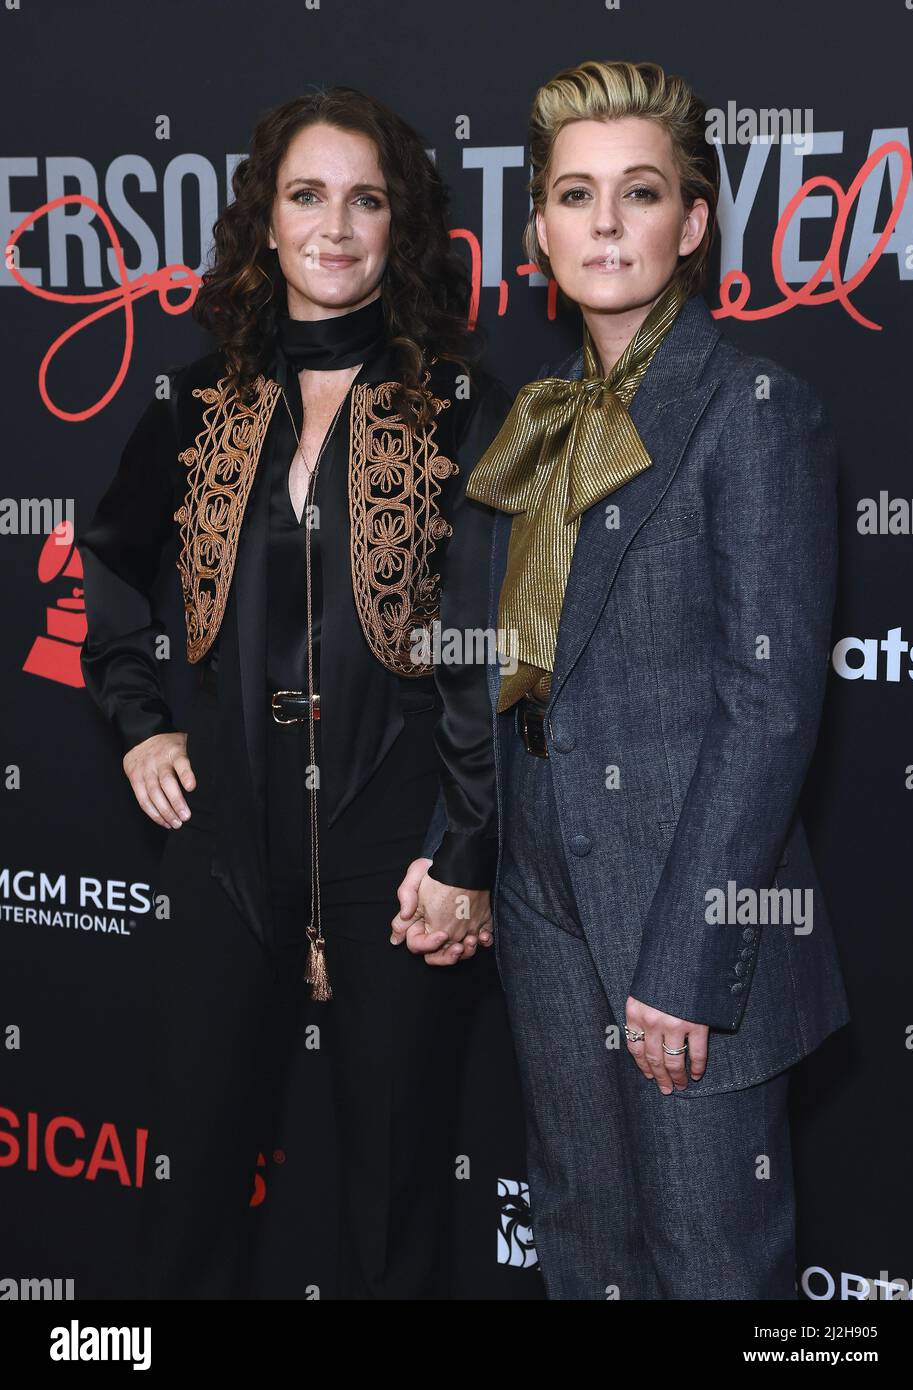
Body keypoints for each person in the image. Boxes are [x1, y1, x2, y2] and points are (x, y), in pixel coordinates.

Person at [398, 58, 851, 1299]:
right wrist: (463, 854)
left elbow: (770, 712)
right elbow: (508, 674)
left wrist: (684, 964)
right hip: (544, 910)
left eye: (639, 192)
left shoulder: (753, 409)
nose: (605, 223)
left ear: (693, 223)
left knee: (710, 1266)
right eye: (575, 195)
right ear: (536, 226)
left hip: (687, 925)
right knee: (584, 1248)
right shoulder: (534, 422)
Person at [77, 87, 511, 1299]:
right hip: (227, 838)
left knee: (395, 1193)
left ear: (400, 226)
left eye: (364, 199)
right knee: (192, 1192)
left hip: (397, 844)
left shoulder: (465, 409)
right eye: (306, 196)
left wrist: (468, 839)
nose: (335, 226)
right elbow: (104, 562)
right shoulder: (195, 400)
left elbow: (501, 633)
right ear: (265, 224)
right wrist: (138, 716)